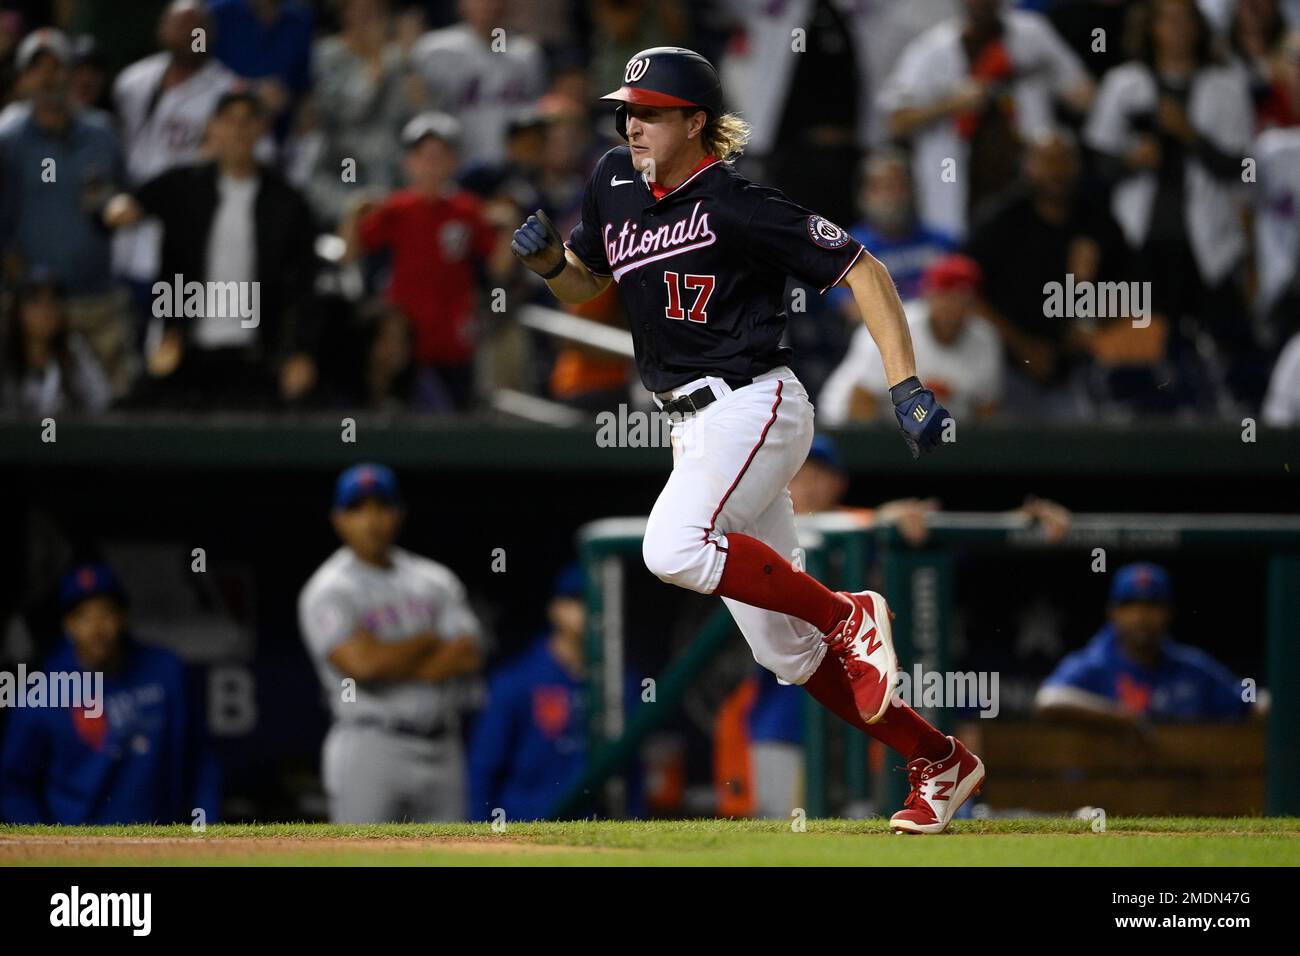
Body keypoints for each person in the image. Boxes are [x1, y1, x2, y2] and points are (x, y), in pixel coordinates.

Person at [510, 47, 983, 834]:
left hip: (755, 402)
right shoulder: (612, 181)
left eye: (652, 112)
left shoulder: (736, 202)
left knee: (672, 548)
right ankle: (939, 758)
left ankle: (848, 613)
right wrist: (552, 264)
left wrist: (905, 385)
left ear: (695, 121)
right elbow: (590, 282)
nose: (633, 124)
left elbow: (863, 269)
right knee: (786, 656)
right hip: (688, 426)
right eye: (628, 109)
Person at [102, 89, 320, 409]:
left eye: (248, 122)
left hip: (254, 355)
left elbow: (304, 283)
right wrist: (115, 206)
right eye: (229, 121)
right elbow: (128, 202)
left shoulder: (287, 201)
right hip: (183, 349)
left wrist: (301, 352)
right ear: (212, 127)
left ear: (261, 129)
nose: (238, 131)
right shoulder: (184, 186)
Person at [297, 463, 484, 823]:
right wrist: (429, 639)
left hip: (442, 743)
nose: (371, 520)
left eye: (381, 507)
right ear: (339, 519)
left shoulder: (434, 579)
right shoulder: (329, 589)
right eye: (358, 509)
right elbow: (362, 666)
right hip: (372, 744)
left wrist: (388, 655)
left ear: (398, 513)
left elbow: (467, 655)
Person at [0, 561, 221, 824]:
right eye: (83, 616)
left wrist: (205, 828)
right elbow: (12, 783)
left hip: (158, 840)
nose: (97, 628)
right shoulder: (43, 690)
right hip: (78, 847)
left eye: (105, 613)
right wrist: (43, 849)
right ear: (68, 625)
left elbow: (201, 760)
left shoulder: (165, 670)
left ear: (123, 616)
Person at [878, 0, 1093, 239]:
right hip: (963, 189)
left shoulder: (1032, 33)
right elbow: (896, 122)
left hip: (1028, 185)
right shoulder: (932, 50)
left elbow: (1080, 89)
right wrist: (951, 104)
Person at [343, 111, 515, 411]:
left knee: (455, 420)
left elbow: (498, 269)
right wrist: (353, 213)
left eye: (440, 156)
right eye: (423, 156)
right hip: (403, 346)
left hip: (454, 342)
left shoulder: (467, 210)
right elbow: (350, 253)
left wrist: (509, 227)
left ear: (454, 161)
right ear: (409, 162)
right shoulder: (396, 208)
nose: (431, 165)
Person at [0, 28, 134, 397]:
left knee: (110, 410)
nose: (48, 76)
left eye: (57, 67)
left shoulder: (101, 133)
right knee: (27, 415)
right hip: (30, 307)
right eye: (37, 68)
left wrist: (119, 206)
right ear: (23, 78)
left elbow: (120, 194)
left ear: (71, 74)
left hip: (94, 299)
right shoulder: (7, 138)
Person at [467, 562, 643, 822]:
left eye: (595, 601)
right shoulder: (518, 680)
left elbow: (633, 769)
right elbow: (484, 767)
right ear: (555, 609)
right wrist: (483, 837)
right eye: (576, 600)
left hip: (596, 829)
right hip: (525, 828)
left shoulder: (620, 682)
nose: (587, 610)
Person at [112, 1, 241, 305]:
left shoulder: (227, 92)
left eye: (197, 27)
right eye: (180, 25)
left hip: (185, 235)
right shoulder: (132, 81)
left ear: (210, 34)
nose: (189, 34)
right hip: (126, 232)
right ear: (162, 31)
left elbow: (255, 157)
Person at [1035, 562, 1259, 727]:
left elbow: (1251, 703)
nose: (1140, 616)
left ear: (1168, 613)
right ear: (1113, 613)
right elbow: (1048, 700)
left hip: (1181, 787)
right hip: (1105, 786)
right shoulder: (1094, 663)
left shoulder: (1191, 668)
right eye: (1130, 605)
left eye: (1152, 605)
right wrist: (1122, 719)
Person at [819, 253, 1003, 425]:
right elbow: (861, 401)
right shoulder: (893, 324)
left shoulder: (985, 339)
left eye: (961, 298)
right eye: (945, 296)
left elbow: (985, 410)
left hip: (927, 434)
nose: (953, 306)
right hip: (847, 423)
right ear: (928, 294)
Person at [411, 0, 546, 168]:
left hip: (510, 166)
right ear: (462, 5)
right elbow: (417, 108)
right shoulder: (435, 49)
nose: (487, 6)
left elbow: (533, 114)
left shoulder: (524, 53)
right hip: (455, 165)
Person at [1, 271, 112, 415]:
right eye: (36, 304)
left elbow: (101, 398)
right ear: (18, 312)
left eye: (52, 303)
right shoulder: (5, 353)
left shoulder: (74, 348)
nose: (45, 313)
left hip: (64, 436)